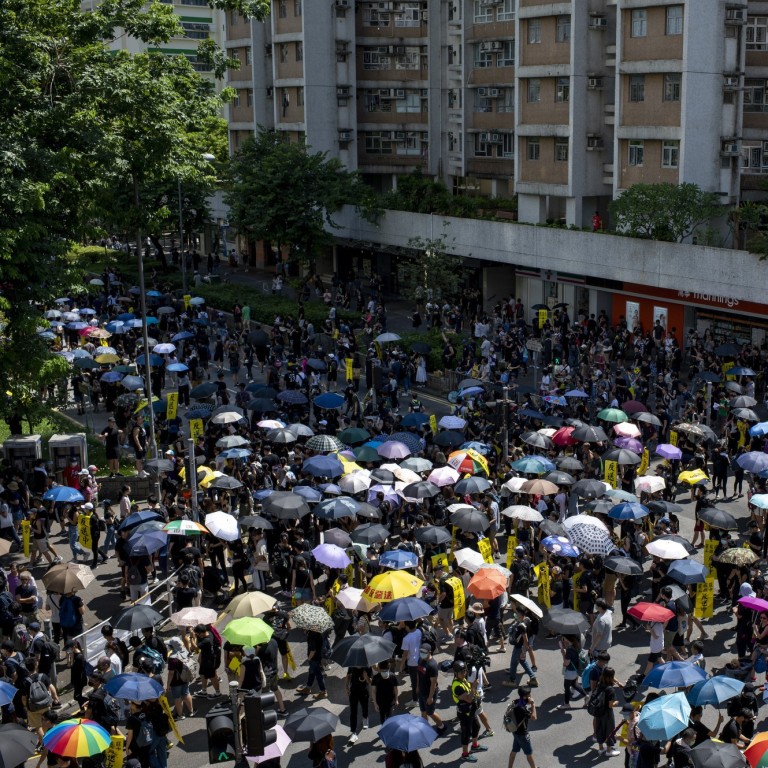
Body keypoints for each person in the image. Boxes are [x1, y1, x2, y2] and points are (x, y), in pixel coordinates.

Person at [451, 660, 487, 763]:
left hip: (471, 710)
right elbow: (468, 699)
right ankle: (465, 755)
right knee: (466, 734)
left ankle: (475, 746)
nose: (464, 673)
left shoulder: (462, 680)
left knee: (476, 726)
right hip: (464, 713)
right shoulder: (457, 686)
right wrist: (474, 687)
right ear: (456, 673)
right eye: (461, 672)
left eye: (465, 671)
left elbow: (471, 692)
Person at [592, 666, 621, 757]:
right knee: (609, 730)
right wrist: (617, 702)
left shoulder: (600, 684)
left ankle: (600, 748)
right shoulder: (610, 689)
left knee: (599, 728)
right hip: (607, 713)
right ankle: (609, 750)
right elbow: (610, 705)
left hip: (598, 711)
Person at [507, 684, 537, 768]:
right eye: (529, 694)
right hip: (523, 734)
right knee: (529, 753)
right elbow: (534, 717)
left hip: (515, 731)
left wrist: (528, 701)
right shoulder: (523, 709)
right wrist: (533, 705)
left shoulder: (516, 701)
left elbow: (523, 703)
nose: (530, 695)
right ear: (526, 696)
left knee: (514, 750)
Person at [416, 643, 445, 732]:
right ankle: (425, 728)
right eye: (420, 651)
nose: (421, 653)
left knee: (430, 713)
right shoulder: (420, 660)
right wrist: (417, 686)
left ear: (430, 652)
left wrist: (430, 697)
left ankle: (441, 726)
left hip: (429, 693)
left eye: (424, 652)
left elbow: (433, 683)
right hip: (421, 691)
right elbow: (418, 675)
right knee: (423, 711)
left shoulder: (432, 665)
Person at [295, 629, 327, 699]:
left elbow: (313, 650)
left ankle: (323, 692)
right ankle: (308, 688)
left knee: (318, 675)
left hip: (314, 658)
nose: (302, 627)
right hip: (318, 656)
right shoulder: (318, 631)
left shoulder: (312, 635)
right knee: (311, 672)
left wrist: (309, 659)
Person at [193, 623, 221, 698]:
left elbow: (195, 648)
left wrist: (192, 638)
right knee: (202, 674)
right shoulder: (210, 633)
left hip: (209, 661)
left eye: (198, 634)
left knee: (212, 677)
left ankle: (218, 693)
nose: (198, 635)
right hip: (205, 660)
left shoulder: (206, 640)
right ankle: (204, 691)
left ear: (201, 633)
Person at [346, 665, 371, 743]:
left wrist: (366, 677)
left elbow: (370, 682)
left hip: (364, 692)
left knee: (365, 707)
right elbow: (348, 676)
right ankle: (353, 732)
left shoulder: (367, 667)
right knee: (353, 712)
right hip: (353, 692)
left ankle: (365, 718)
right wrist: (346, 686)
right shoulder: (352, 665)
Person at [371, 659, 399, 723]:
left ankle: (383, 729)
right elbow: (395, 689)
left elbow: (373, 691)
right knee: (389, 719)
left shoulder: (375, 677)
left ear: (379, 667)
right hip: (390, 701)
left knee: (382, 718)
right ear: (389, 666)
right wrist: (396, 699)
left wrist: (375, 704)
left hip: (380, 701)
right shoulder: (393, 676)